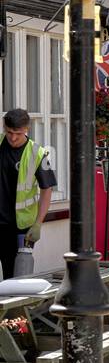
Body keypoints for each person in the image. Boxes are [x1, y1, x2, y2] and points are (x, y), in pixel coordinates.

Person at [0, 109, 56, 279]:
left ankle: (15, 306)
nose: (13, 138)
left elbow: (47, 189)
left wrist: (38, 223)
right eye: (9, 132)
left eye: (18, 133)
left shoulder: (38, 153)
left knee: (17, 277)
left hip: (23, 228)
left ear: (27, 129)